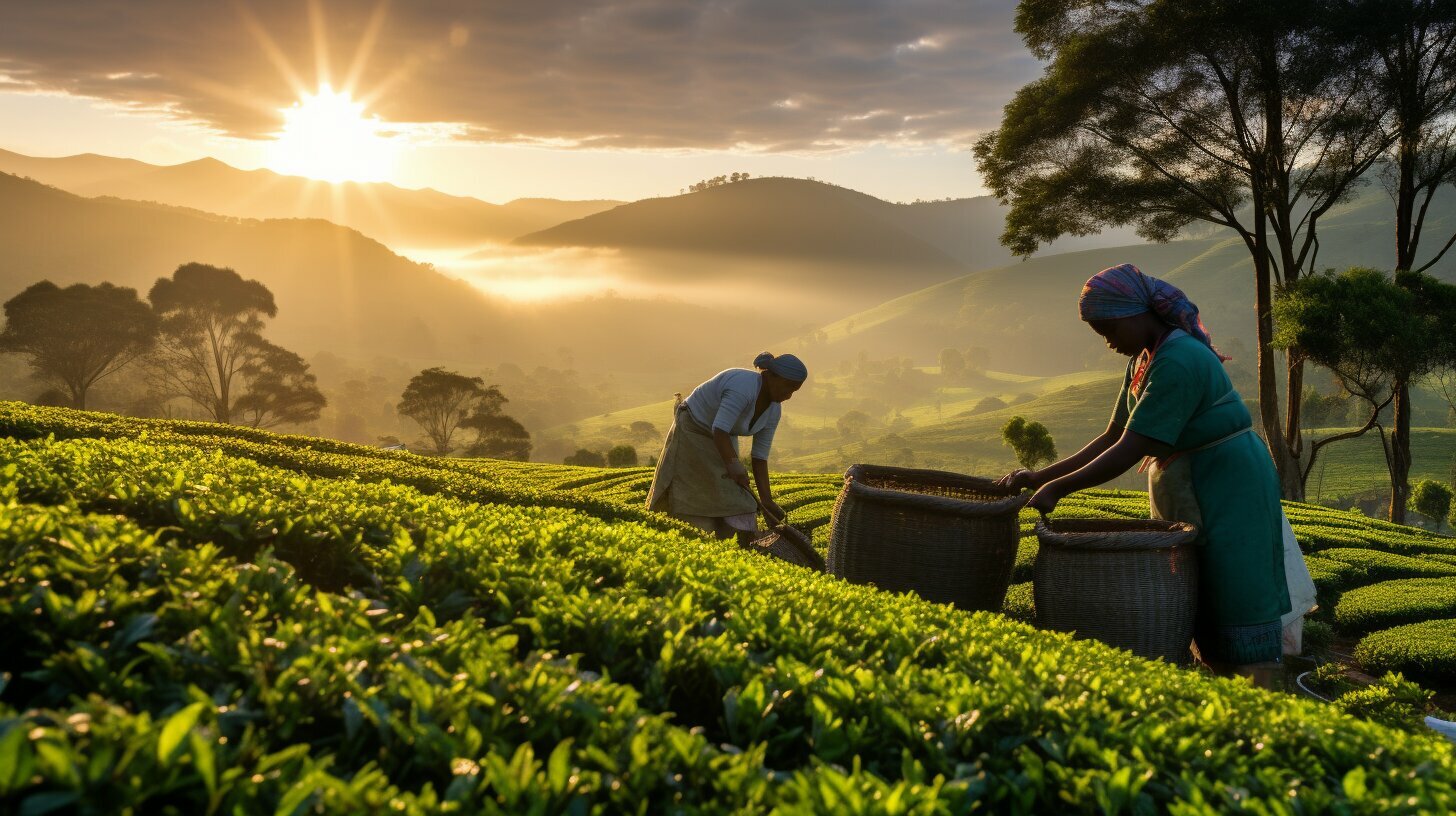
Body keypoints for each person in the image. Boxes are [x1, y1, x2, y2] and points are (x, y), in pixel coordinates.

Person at [999, 263, 1301, 689]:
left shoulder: (1179, 358)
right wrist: (1040, 476)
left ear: (1137, 313)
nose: (1108, 341)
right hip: (1191, 479)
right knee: (1193, 580)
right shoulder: (1144, 358)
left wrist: (1058, 489)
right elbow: (1113, 435)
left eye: (1109, 329)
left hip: (1229, 482)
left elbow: (1131, 447)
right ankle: (1216, 684)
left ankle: (1258, 690)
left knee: (1236, 582)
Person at [647, 352, 806, 543]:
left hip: (723, 438)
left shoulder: (774, 411)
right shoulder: (743, 386)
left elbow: (759, 457)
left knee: (738, 496)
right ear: (771, 376)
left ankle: (737, 541)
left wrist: (767, 500)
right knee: (695, 489)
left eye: (794, 391)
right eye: (787, 387)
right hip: (694, 429)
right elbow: (720, 429)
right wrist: (734, 465)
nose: (788, 395)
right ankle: (695, 534)